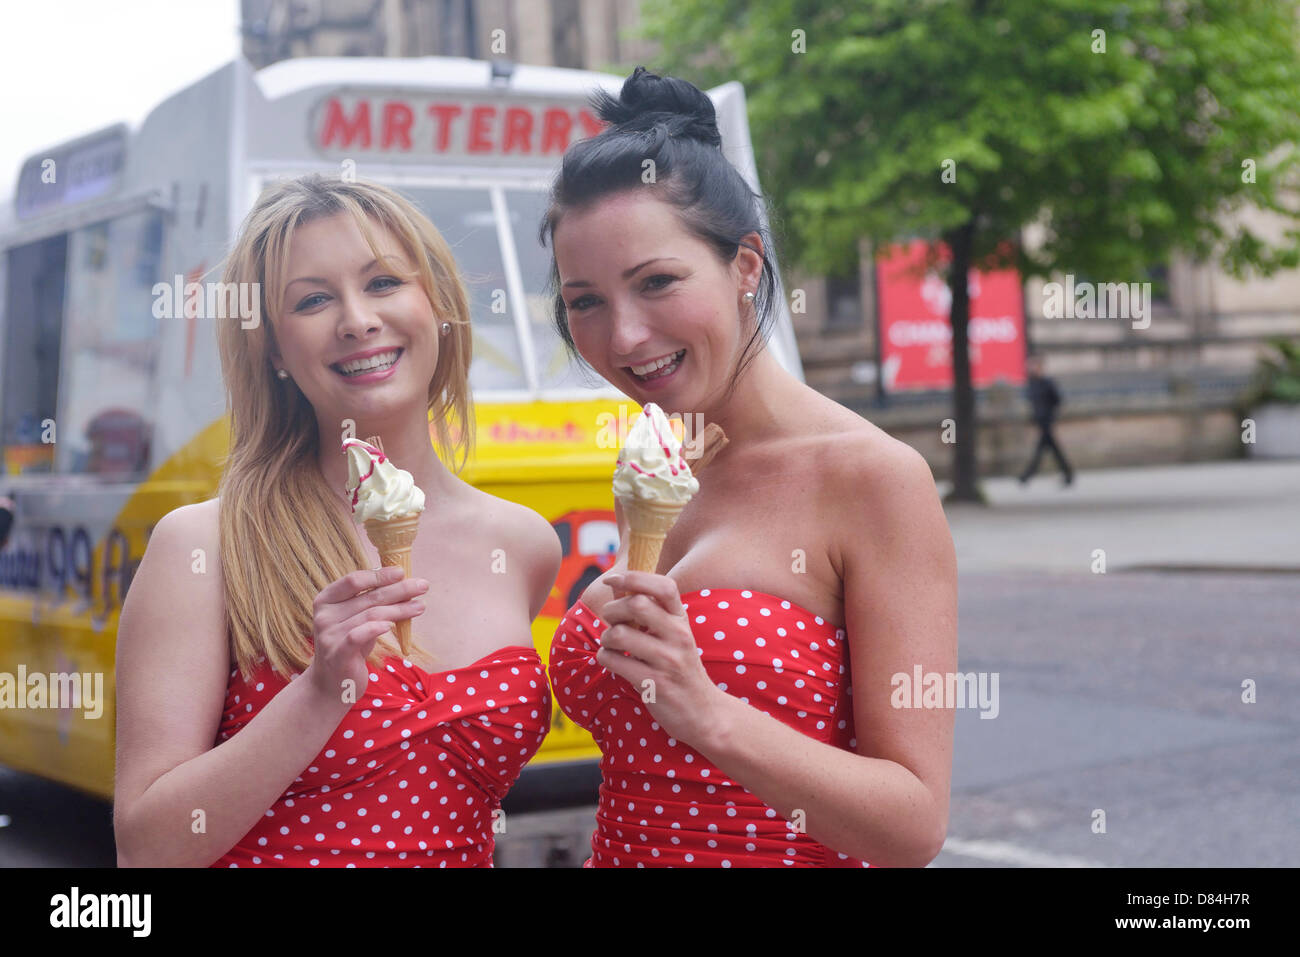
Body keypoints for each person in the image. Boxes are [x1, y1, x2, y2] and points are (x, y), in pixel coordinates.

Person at [541, 67, 957, 867]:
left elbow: (913, 827)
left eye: (657, 282)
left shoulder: (873, 478)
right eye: (584, 301)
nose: (623, 336)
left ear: (744, 265)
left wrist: (710, 713)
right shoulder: (660, 465)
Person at [112, 175, 561, 867]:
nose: (356, 319)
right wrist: (319, 695)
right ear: (272, 349)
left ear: (438, 304)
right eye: (314, 300)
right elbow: (148, 849)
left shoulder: (524, 543)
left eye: (383, 283)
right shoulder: (203, 546)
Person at [1018, 353, 1074, 486]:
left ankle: (1026, 476)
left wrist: (1051, 416)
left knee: (1042, 451)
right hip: (1040, 421)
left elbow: (1057, 400)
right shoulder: (1032, 384)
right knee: (1054, 450)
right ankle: (1067, 474)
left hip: (1047, 421)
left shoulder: (1047, 383)